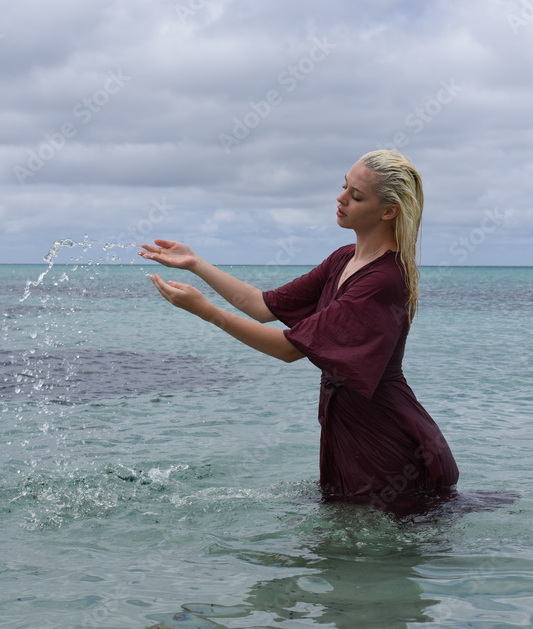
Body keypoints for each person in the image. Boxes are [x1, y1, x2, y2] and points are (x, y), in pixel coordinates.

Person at [139, 150, 459, 512]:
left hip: (387, 443)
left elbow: (289, 349)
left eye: (356, 196)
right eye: (344, 187)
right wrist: (196, 264)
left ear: (389, 211)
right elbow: (262, 307)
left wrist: (207, 312)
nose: (341, 199)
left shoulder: (383, 280)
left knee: (366, 557)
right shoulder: (344, 259)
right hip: (351, 433)